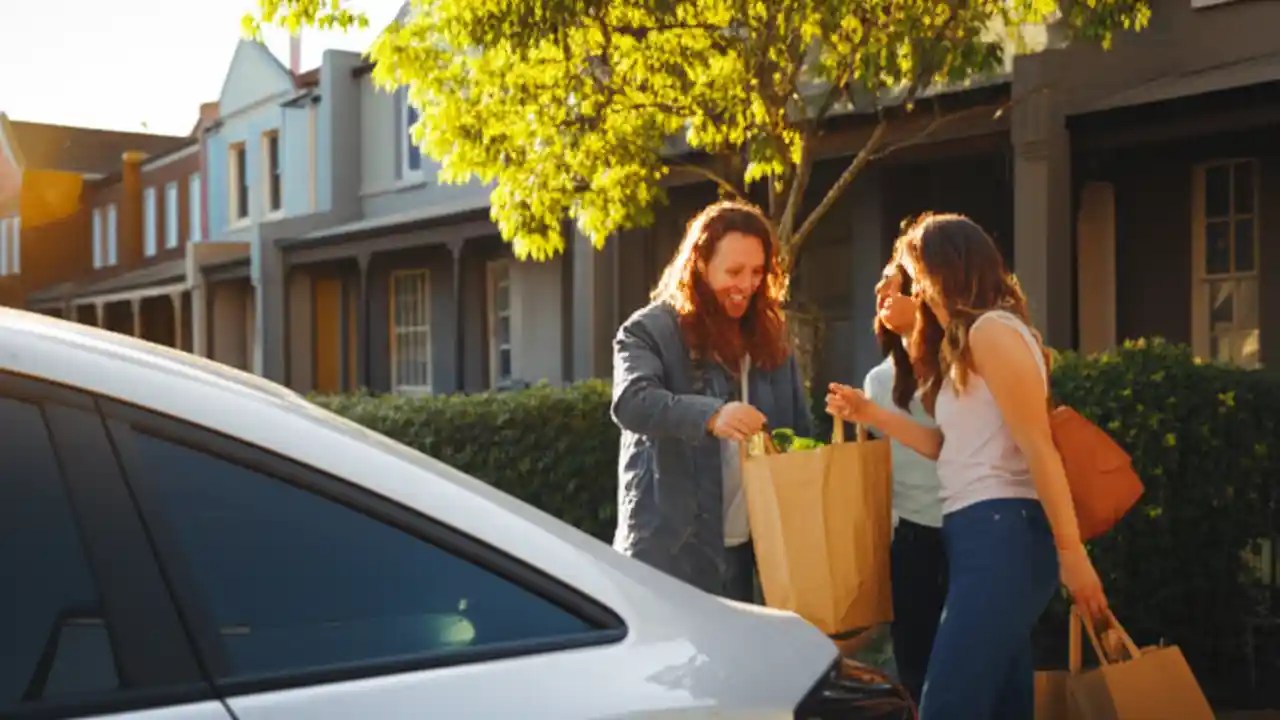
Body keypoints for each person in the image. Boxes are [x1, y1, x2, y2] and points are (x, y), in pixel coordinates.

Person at [826, 213, 1108, 719]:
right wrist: (869, 413)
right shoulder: (969, 340)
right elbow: (948, 447)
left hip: (1004, 533)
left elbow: (1039, 446)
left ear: (943, 271)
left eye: (913, 274)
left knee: (948, 705)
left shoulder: (994, 332)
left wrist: (1072, 553)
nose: (910, 288)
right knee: (1001, 704)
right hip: (981, 534)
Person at [610, 199, 812, 602]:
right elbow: (631, 401)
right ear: (700, 265)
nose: (747, 285)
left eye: (757, 273)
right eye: (734, 272)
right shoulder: (648, 329)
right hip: (670, 552)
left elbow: (796, 434)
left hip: (749, 549)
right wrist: (712, 416)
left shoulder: (771, 337)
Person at [865, 260, 946, 707]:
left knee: (963, 663)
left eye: (895, 289)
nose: (883, 297)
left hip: (965, 528)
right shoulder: (877, 383)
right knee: (914, 665)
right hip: (911, 535)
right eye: (880, 293)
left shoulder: (954, 367)